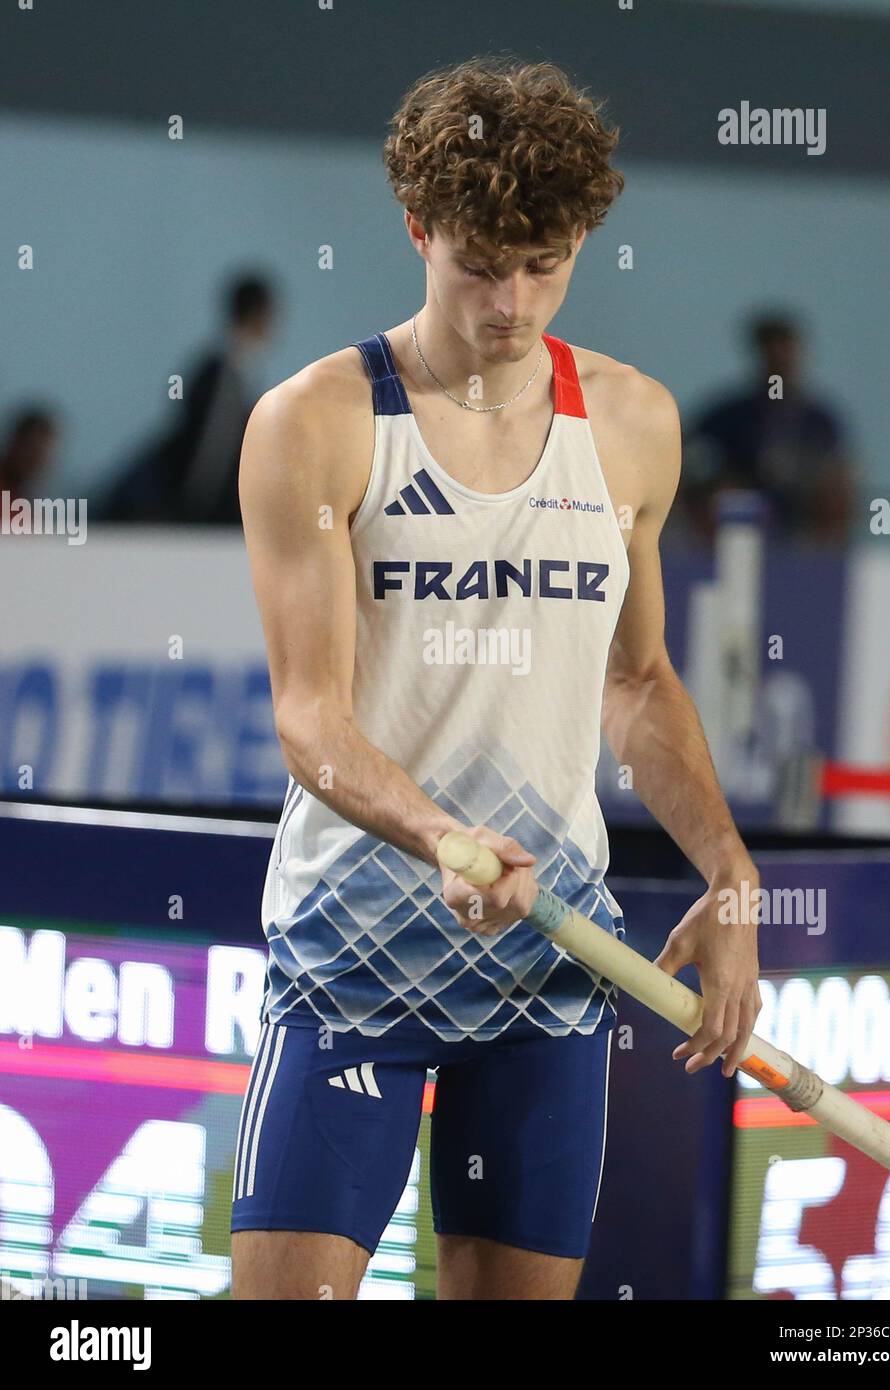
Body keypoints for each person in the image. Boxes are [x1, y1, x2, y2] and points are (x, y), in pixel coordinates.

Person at [231, 56, 761, 1302]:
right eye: (479, 262)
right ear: (416, 228)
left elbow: (636, 685)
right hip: (351, 964)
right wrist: (446, 842)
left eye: (545, 263)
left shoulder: (633, 425)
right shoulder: (315, 422)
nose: (512, 303)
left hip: (546, 971)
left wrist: (732, 876)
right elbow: (312, 720)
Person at [100, 272, 278, 524]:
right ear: (258, 314)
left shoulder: (236, 373)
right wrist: (194, 512)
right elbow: (209, 453)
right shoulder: (223, 376)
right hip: (182, 509)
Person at [682, 312, 853, 544]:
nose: (780, 364)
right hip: (739, 523)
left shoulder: (819, 420)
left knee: (834, 493)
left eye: (786, 354)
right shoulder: (731, 414)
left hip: (800, 521)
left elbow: (838, 472)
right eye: (773, 356)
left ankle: (822, 566)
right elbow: (687, 452)